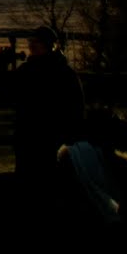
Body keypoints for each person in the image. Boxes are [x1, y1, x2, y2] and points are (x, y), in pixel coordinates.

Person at [12, 25, 84, 183]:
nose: (32, 45)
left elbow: (75, 109)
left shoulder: (65, 74)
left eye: (37, 41)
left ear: (50, 44)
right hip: (28, 138)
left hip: (54, 139)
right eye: (31, 41)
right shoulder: (25, 71)